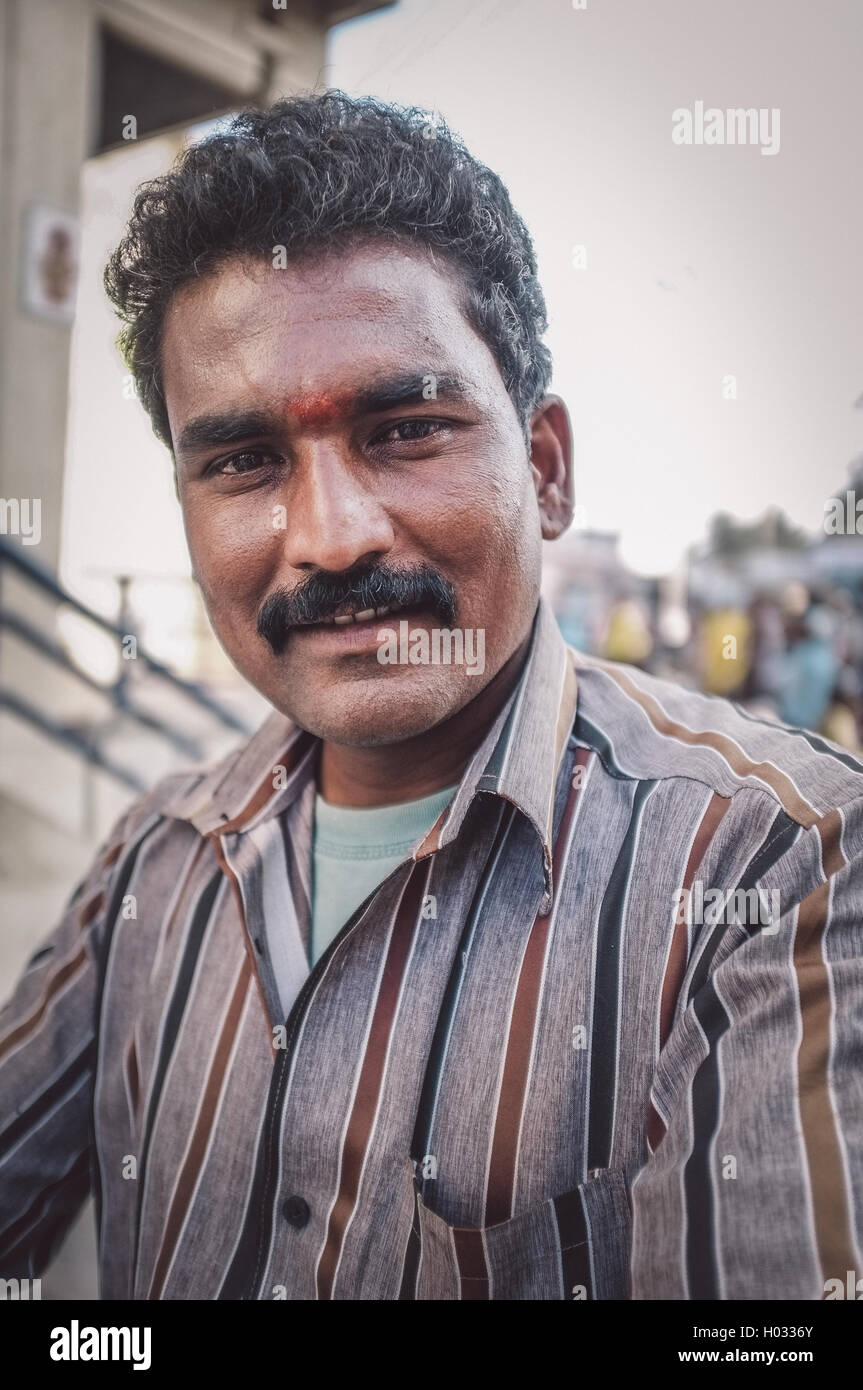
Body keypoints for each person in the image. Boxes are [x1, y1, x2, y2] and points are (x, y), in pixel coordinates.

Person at [1, 91, 861, 1301]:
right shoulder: (150, 863)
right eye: (244, 461)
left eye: (405, 428)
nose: (330, 537)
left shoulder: (777, 862)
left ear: (544, 470)